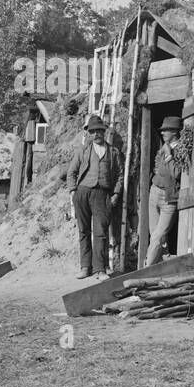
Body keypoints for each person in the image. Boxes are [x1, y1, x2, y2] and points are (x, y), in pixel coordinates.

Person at [65, 114, 125, 279]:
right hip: (82, 193)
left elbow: (120, 175)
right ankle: (85, 267)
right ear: (89, 134)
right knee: (84, 231)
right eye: (93, 132)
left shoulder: (113, 152)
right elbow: (72, 172)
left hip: (102, 195)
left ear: (104, 132)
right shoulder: (83, 151)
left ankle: (100, 269)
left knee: (101, 232)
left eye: (99, 131)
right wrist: (73, 191)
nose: (96, 134)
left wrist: (116, 194)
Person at [145, 116, 185, 266]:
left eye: (165, 130)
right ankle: (161, 265)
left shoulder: (182, 149)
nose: (162, 133)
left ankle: (146, 267)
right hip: (155, 192)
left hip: (170, 198)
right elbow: (157, 165)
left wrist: (169, 155)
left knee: (158, 236)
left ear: (174, 132)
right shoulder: (164, 147)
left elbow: (177, 173)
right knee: (155, 236)